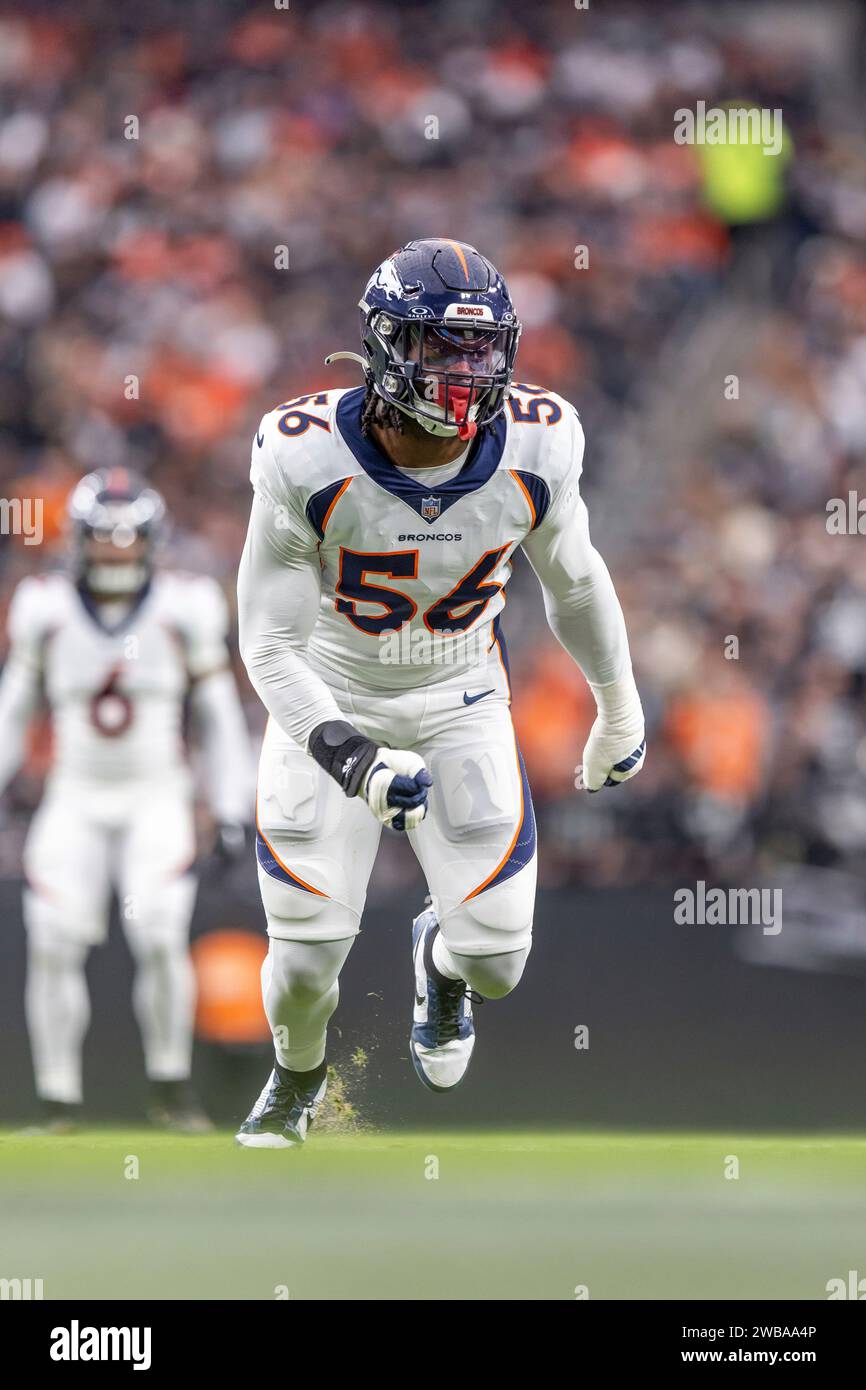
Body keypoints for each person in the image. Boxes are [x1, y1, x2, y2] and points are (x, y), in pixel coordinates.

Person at [235, 239, 646, 1147]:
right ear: (385, 345)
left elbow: (574, 582)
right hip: (330, 692)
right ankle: (297, 1078)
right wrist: (347, 754)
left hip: (462, 690)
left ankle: (441, 961)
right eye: (440, 350)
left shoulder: (542, 439)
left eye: (482, 350)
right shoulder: (304, 455)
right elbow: (265, 641)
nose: (466, 374)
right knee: (306, 961)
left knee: (498, 961)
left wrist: (618, 705)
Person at [0, 468, 254, 1132]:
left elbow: (219, 716)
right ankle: (58, 1100)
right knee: (52, 939)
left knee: (159, 932)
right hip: (75, 796)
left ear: (151, 539)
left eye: (126, 536)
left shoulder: (186, 605)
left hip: (155, 798)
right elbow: (11, 711)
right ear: (80, 539)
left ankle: (170, 1090)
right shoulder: (44, 608)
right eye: (102, 536)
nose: (115, 549)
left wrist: (229, 806)